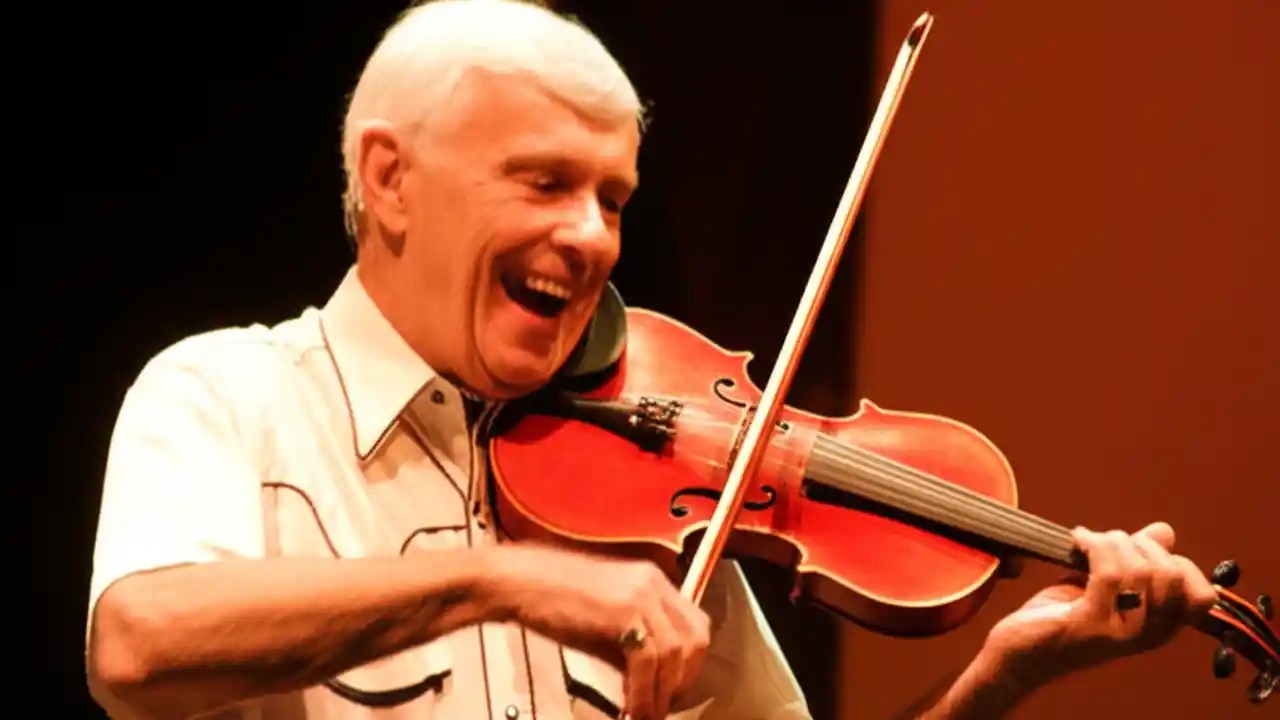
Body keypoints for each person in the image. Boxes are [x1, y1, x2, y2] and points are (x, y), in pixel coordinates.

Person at [83, 1, 1219, 719]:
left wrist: (1006, 671)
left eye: (612, 198)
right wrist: (501, 578)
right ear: (389, 180)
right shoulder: (226, 396)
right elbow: (136, 647)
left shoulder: (656, 507)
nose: (592, 238)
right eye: (542, 182)